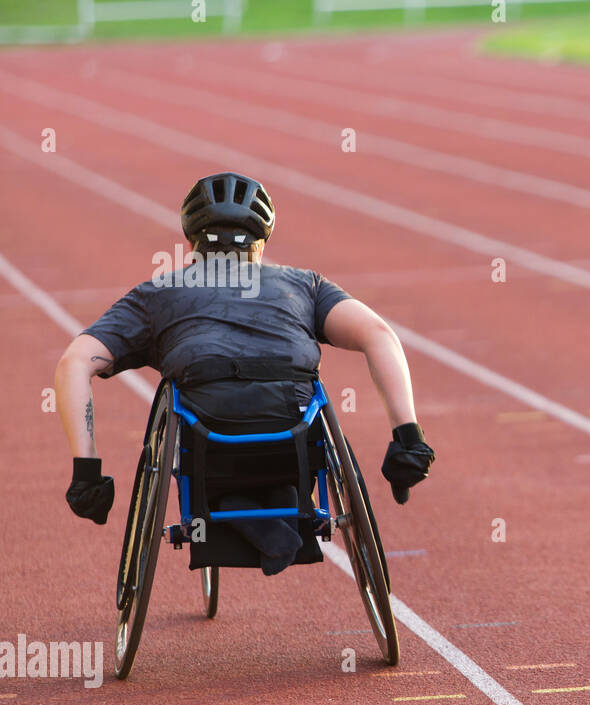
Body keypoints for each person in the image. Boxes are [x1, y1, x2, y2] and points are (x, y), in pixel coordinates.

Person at [54, 171, 434, 574]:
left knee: (200, 410)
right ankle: (266, 511)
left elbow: (74, 364)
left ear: (190, 240)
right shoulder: (304, 285)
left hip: (209, 449)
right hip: (292, 442)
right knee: (295, 410)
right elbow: (378, 334)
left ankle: (247, 511)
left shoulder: (156, 295)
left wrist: (86, 472)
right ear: (264, 239)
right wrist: (408, 438)